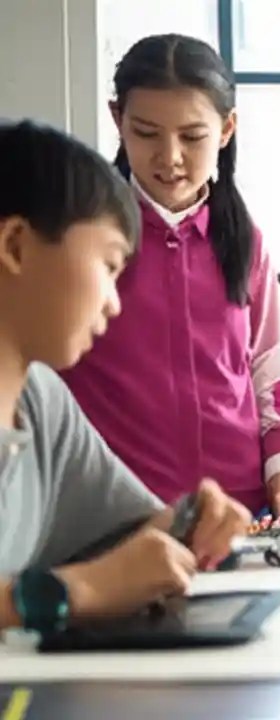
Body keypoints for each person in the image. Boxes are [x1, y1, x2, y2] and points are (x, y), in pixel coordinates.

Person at [0, 120, 247, 632]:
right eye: (110, 266)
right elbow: (98, 578)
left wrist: (189, 523)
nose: (114, 304)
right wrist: (77, 591)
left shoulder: (42, 401)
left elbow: (124, 539)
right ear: (17, 245)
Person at [59, 34, 280, 517]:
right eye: (147, 132)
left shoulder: (246, 243)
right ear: (118, 121)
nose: (170, 156)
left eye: (192, 136)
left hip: (241, 514)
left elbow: (268, 373)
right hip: (116, 517)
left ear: (226, 129)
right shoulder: (80, 238)